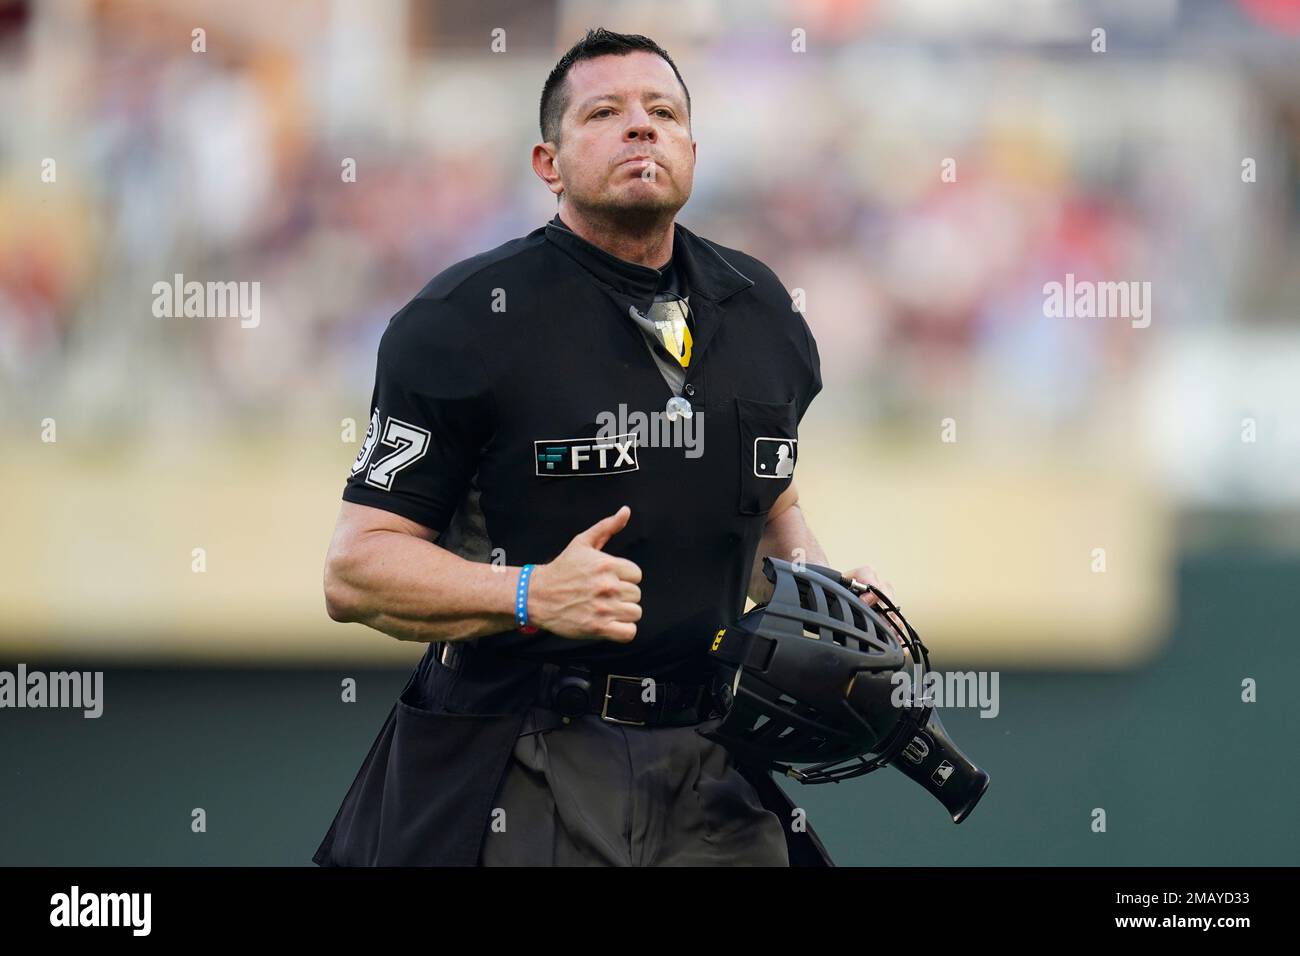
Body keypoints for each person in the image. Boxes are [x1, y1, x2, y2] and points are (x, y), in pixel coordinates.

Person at [313, 28, 895, 868]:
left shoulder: (761, 310)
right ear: (548, 163)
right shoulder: (465, 320)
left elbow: (773, 508)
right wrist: (526, 594)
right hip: (523, 753)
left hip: (712, 761)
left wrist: (822, 598)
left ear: (693, 149)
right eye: (606, 113)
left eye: (662, 111)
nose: (641, 127)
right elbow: (354, 568)